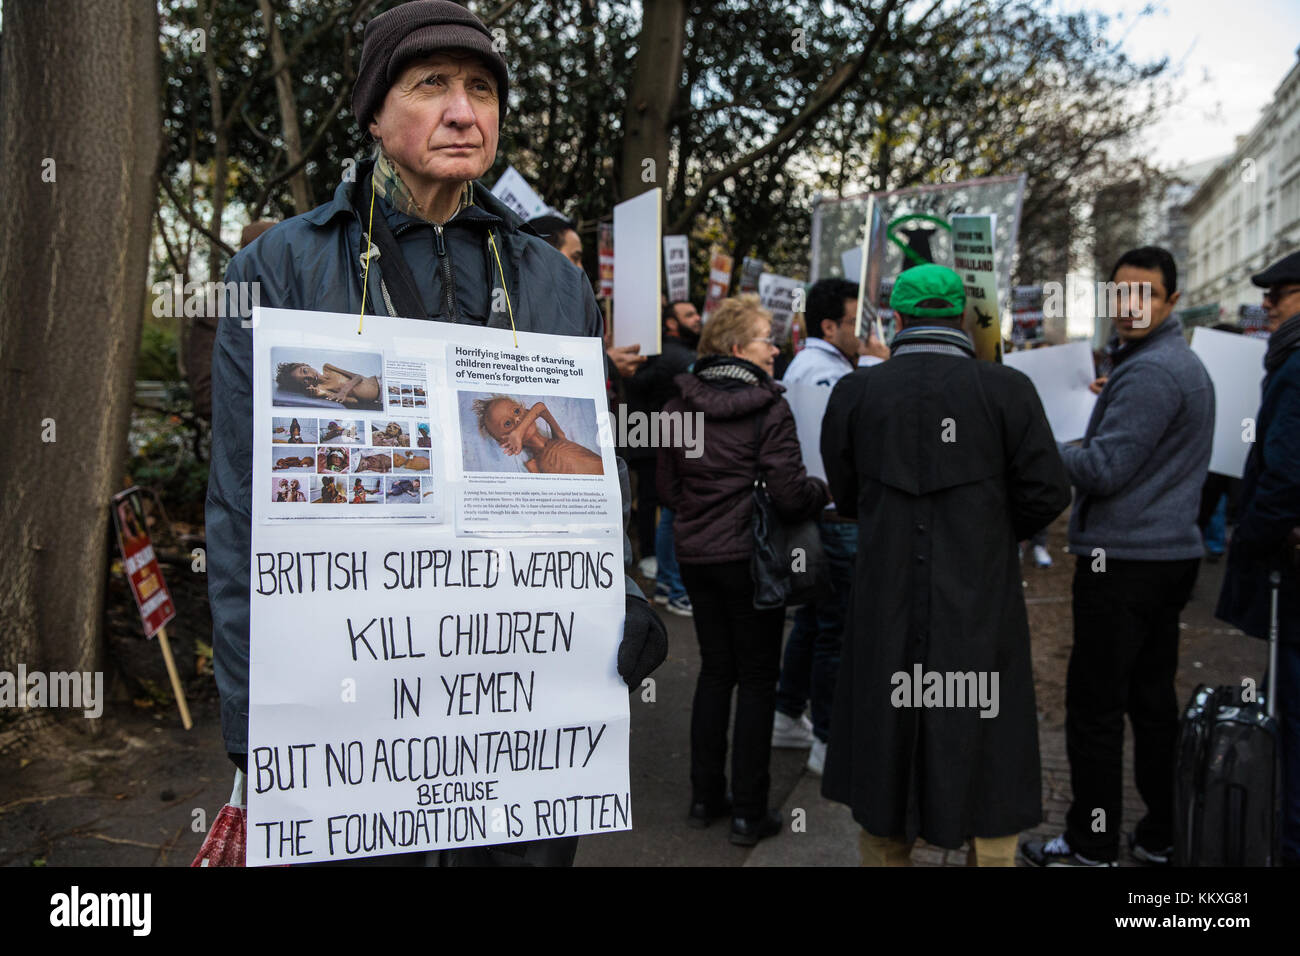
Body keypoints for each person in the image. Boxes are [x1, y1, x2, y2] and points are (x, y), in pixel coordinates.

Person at [207, 0, 665, 868]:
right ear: (376, 114)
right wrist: (250, 707)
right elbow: (239, 505)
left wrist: (627, 597)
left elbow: (593, 478)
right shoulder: (280, 269)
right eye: (432, 85)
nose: (465, 110)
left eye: (483, 88)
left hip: (519, 706)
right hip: (353, 714)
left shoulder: (556, 283)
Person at [820, 264, 1071, 866]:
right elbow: (1049, 492)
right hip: (982, 601)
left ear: (898, 320)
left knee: (886, 758)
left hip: (886, 599)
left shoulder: (856, 392)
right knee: (989, 752)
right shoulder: (1007, 390)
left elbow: (847, 496)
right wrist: (987, 525)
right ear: (962, 316)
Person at [1023, 246, 1214, 867]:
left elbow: (1103, 469)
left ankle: (1092, 843)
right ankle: (1161, 834)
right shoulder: (1158, 363)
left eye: (1146, 296)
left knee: (1097, 709)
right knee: (1151, 702)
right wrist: (1104, 406)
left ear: (1171, 301)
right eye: (1120, 295)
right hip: (1161, 557)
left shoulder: (1154, 371)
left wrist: (1039, 440)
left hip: (1126, 562)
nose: (1130, 307)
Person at [658, 294, 830, 846]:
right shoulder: (769, 407)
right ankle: (749, 814)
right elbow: (787, 494)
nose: (775, 349)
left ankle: (705, 797)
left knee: (716, 672)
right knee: (758, 679)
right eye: (766, 339)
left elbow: (666, 490)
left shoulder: (676, 406)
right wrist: (820, 493)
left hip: (697, 559)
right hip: (753, 562)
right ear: (738, 348)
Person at [1216, 249, 1300, 867]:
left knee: (1291, 717)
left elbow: (1284, 471)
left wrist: (1257, 536)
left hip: (1290, 574)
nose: (1266, 304)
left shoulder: (1295, 364)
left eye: (1281, 293)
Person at [772, 279, 874, 774]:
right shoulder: (824, 372)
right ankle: (828, 742)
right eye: (857, 320)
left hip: (823, 515)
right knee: (836, 631)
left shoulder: (819, 365)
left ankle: (788, 714)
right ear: (830, 325)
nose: (866, 330)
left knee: (815, 623)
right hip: (834, 517)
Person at [624, 300, 701, 614]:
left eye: (696, 313)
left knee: (656, 502)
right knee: (665, 505)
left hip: (647, 438)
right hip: (665, 441)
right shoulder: (679, 357)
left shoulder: (658, 355)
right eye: (689, 315)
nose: (697, 319)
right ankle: (668, 578)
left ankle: (664, 576)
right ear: (670, 324)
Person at [473, 394, 604, 474]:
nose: (517, 419)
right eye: (507, 423)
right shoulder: (533, 465)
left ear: (527, 411)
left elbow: (541, 407)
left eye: (517, 411)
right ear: (504, 441)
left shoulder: (559, 437)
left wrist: (518, 431)